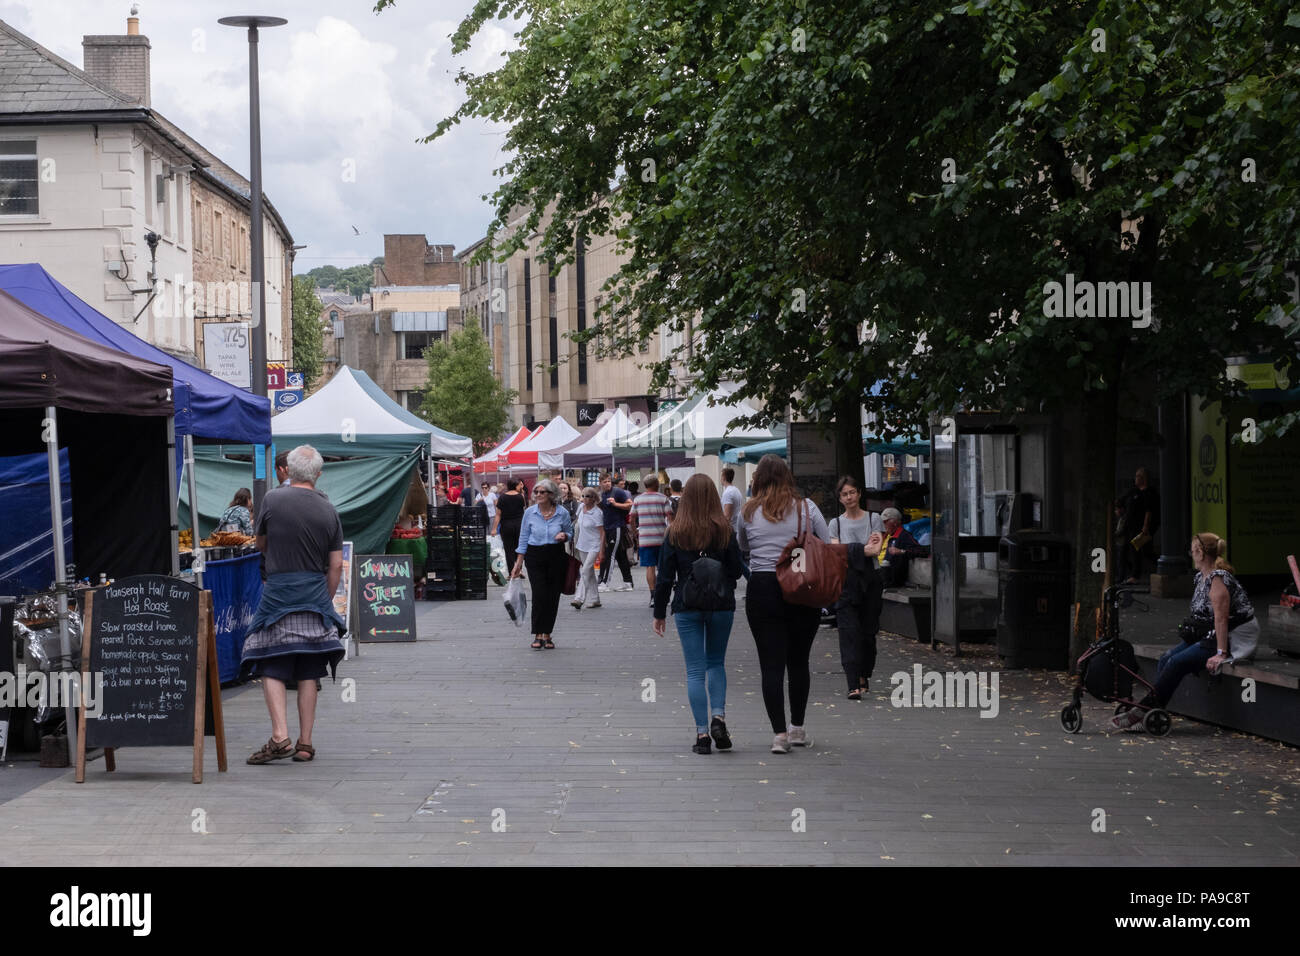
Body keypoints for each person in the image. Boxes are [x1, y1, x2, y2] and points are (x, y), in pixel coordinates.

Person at [242, 445, 346, 764]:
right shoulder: (329, 509)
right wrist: (323, 599)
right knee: (309, 668)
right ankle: (305, 743)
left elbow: (260, 543)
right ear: (317, 473)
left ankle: (279, 736)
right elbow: (337, 565)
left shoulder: (272, 499)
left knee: (269, 661)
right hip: (314, 593)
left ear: (287, 469)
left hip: (278, 594)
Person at [1111, 532, 1259, 731]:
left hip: (1232, 635)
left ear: (1199, 552)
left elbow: (1221, 618)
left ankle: (1143, 709)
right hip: (1208, 634)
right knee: (1166, 658)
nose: (1190, 553)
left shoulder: (1218, 579)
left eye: (1192, 550)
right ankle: (1153, 712)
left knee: (1177, 662)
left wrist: (1221, 653)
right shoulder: (1200, 577)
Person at [739, 454, 832, 754]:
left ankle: (778, 735)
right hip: (801, 586)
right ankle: (798, 729)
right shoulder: (808, 508)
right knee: (799, 660)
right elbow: (827, 544)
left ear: (758, 480)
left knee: (771, 664)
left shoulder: (747, 511)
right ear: (787, 477)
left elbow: (742, 545)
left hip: (763, 587)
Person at [653, 474, 745, 754]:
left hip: (686, 605)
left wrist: (659, 613)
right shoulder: (724, 531)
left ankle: (702, 735)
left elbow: (665, 577)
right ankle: (719, 716)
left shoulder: (675, 532)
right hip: (720, 605)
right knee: (716, 663)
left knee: (695, 670)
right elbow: (737, 569)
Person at [829, 476, 885, 699]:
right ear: (840, 498)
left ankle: (864, 674)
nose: (849, 497)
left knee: (867, 633)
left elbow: (876, 550)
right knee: (848, 632)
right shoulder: (836, 524)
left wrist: (849, 550)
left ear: (859, 493)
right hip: (846, 582)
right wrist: (862, 548)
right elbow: (836, 553)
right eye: (844, 494)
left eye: (852, 492)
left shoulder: (874, 519)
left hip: (870, 581)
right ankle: (853, 683)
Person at [510, 478, 574, 649]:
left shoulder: (562, 513)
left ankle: (547, 633)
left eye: (542, 492)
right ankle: (538, 633)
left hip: (556, 555)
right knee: (539, 593)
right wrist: (518, 563)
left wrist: (565, 536)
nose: (537, 494)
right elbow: (523, 537)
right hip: (534, 555)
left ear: (551, 494)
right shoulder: (529, 513)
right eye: (536, 492)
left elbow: (569, 531)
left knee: (553, 595)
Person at [630, 475, 672, 601]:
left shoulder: (638, 499)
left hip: (645, 539)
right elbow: (670, 519)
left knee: (650, 567)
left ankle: (653, 595)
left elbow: (631, 518)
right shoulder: (663, 498)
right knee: (662, 567)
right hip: (661, 538)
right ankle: (662, 594)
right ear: (656, 484)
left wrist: (634, 532)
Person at [1119, 467, 1160, 583]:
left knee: (1139, 549)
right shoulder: (1133, 491)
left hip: (1142, 528)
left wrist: (1146, 526)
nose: (1135, 478)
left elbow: (1149, 511)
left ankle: (1135, 575)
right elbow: (1122, 501)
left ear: (1143, 478)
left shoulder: (1150, 493)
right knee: (1126, 551)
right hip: (1130, 527)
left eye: (1138, 476)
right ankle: (1126, 575)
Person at [597, 473, 634, 591]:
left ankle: (604, 583)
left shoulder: (617, 492)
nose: (607, 483)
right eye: (604, 482)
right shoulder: (602, 494)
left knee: (610, 554)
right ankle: (628, 583)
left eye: (608, 481)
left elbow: (630, 504)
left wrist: (615, 504)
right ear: (600, 484)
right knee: (620, 556)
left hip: (617, 527)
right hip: (608, 527)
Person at [877, 507, 928, 587]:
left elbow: (922, 551)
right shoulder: (886, 535)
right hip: (882, 575)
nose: (884, 525)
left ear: (895, 522)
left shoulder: (904, 536)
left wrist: (901, 551)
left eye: (885, 522)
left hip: (893, 581)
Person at [572, 487, 604, 610]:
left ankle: (579, 599)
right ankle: (595, 599)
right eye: (583, 495)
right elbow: (576, 523)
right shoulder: (580, 508)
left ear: (594, 498)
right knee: (589, 572)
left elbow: (602, 533)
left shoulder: (597, 513)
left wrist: (602, 550)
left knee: (585, 571)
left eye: (588, 496)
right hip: (581, 544)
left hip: (594, 545)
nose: (585, 498)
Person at [492, 478, 527, 566]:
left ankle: (511, 571)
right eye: (519, 485)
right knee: (519, 548)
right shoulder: (520, 496)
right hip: (519, 526)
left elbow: (498, 514)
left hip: (506, 526)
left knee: (508, 549)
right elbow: (524, 507)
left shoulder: (502, 497)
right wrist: (522, 491)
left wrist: (494, 529)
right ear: (516, 485)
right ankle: (518, 569)